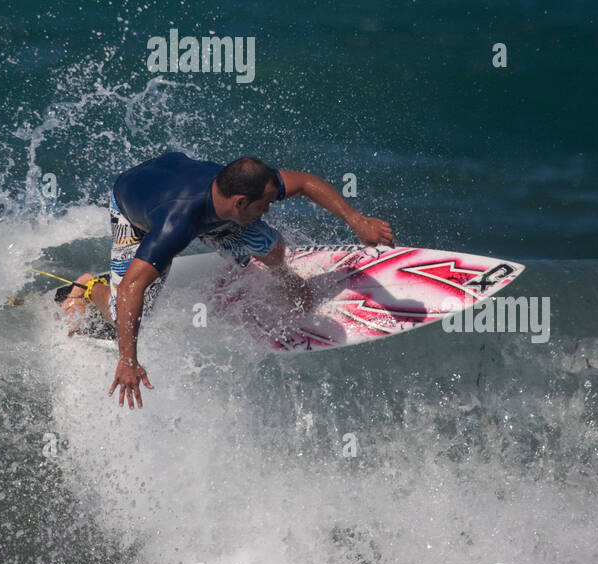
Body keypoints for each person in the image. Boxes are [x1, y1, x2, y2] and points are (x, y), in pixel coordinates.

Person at [60, 152, 394, 411]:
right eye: (263, 206)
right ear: (241, 202)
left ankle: (285, 279)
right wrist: (128, 360)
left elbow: (305, 182)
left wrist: (357, 220)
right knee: (131, 313)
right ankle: (92, 287)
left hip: (178, 182)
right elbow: (134, 286)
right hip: (134, 211)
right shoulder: (174, 226)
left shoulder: (244, 187)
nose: (267, 209)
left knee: (268, 244)